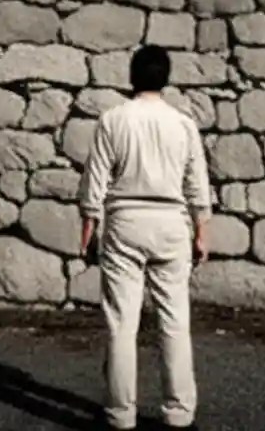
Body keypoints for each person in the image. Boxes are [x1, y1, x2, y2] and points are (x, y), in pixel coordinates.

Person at [77, 44, 212, 431]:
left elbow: (96, 181)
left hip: (124, 224)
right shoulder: (183, 123)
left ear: (132, 76)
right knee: (174, 321)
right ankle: (179, 414)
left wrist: (88, 229)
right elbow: (197, 184)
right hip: (171, 225)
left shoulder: (113, 119)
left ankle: (120, 416)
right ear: (166, 78)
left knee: (122, 323)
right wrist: (201, 232)